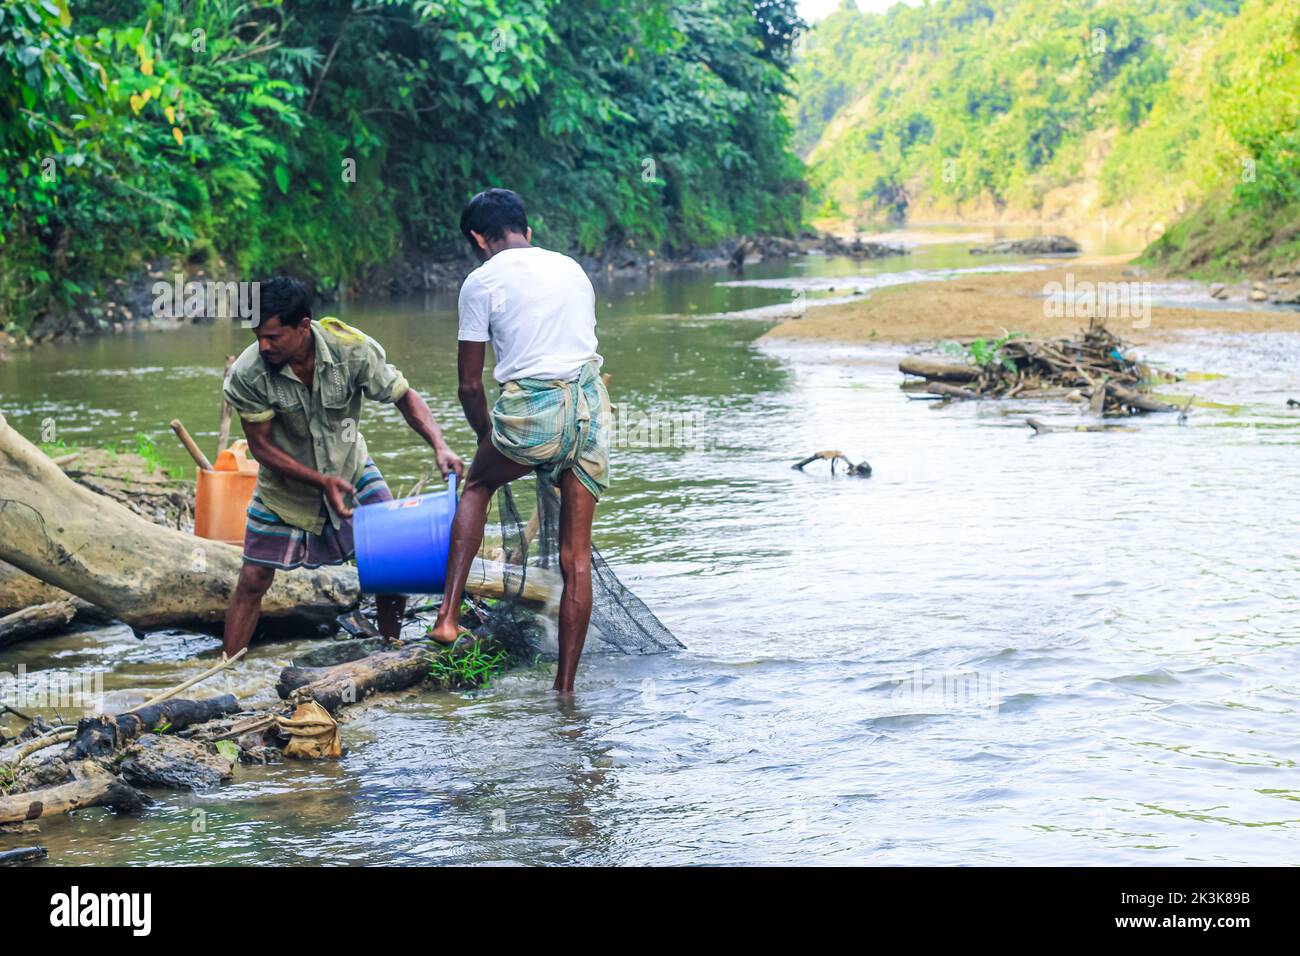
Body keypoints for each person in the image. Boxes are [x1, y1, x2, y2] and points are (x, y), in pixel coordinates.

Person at [221, 276, 463, 657]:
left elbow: (404, 396)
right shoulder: (249, 373)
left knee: (392, 560)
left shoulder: (351, 350)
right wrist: (319, 480)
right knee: (253, 578)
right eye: (257, 336)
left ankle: (390, 651)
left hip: (351, 470)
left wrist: (440, 446)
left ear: (303, 327)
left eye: (273, 336)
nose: (263, 345)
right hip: (284, 489)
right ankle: (226, 668)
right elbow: (262, 448)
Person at [428, 188, 610, 694]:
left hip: (533, 412)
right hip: (590, 411)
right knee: (576, 560)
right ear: (526, 231)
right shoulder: (572, 268)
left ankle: (446, 616)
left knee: (476, 486)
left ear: (478, 239)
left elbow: (468, 384)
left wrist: (490, 439)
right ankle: (565, 691)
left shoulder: (480, 280)